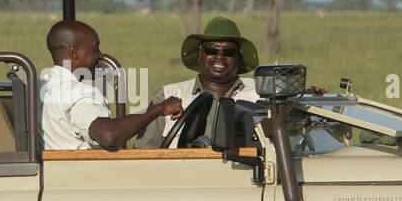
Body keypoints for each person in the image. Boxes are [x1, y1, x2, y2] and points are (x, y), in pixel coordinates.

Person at [38, 19, 182, 150]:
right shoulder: (80, 93)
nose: (100, 55)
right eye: (95, 49)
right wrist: (159, 109)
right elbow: (108, 135)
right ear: (74, 52)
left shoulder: (40, 86)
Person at [138, 16, 262, 148]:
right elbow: (144, 153)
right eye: (211, 50)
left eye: (229, 52)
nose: (219, 57)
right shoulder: (167, 96)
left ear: (239, 58)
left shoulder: (260, 93)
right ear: (200, 55)